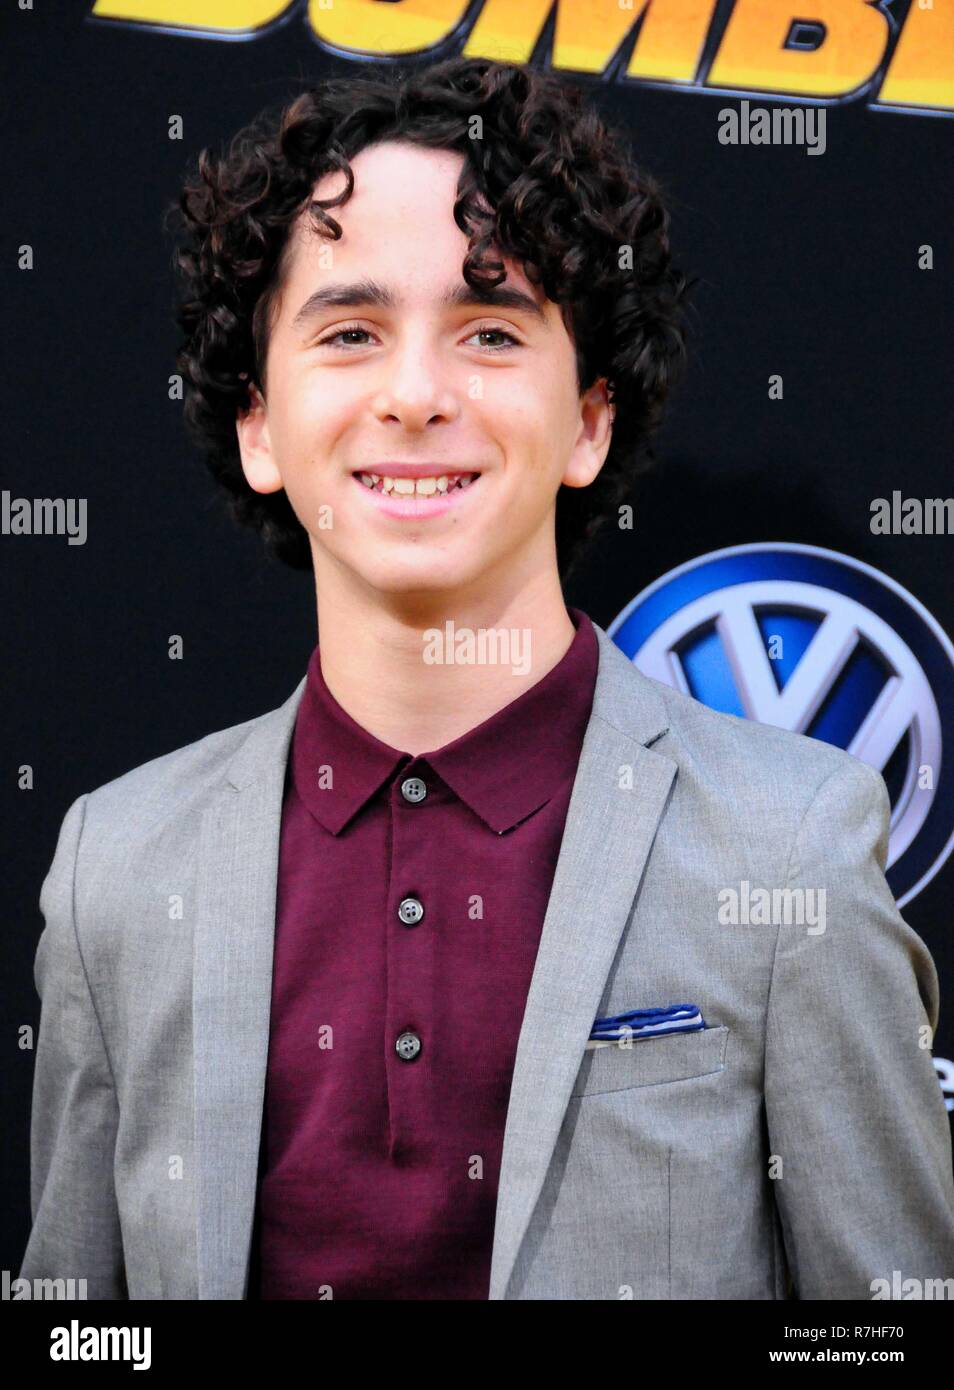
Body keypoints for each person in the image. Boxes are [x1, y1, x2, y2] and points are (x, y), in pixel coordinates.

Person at [20, 56, 954, 1300]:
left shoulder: (788, 849)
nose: (416, 395)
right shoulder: (116, 870)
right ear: (258, 425)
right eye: (350, 332)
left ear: (589, 421)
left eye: (491, 329)